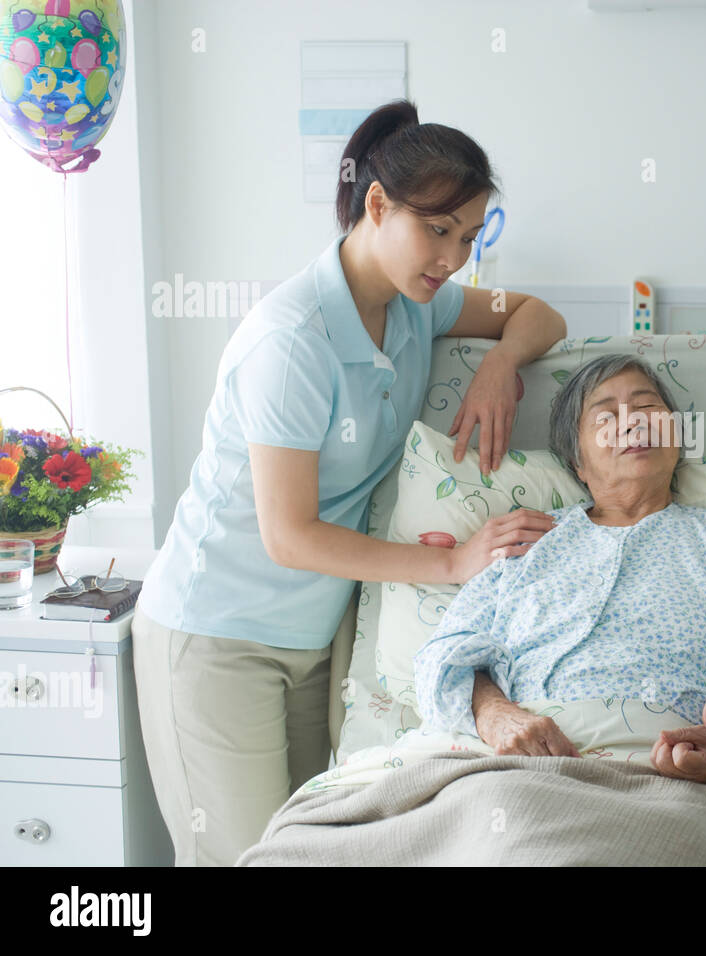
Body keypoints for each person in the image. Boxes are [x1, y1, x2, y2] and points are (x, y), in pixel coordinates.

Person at [133, 99, 567, 866]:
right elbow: (288, 533)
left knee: (312, 856)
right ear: (376, 204)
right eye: (437, 231)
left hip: (311, 636)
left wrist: (501, 364)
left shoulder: (414, 310)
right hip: (216, 636)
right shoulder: (293, 341)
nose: (453, 258)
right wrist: (449, 563)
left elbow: (536, 314)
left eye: (467, 238)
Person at [411, 355, 706, 782]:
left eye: (647, 408)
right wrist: (496, 716)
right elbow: (442, 656)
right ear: (577, 462)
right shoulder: (527, 540)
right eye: (605, 417)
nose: (632, 423)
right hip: (524, 762)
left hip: (676, 764)